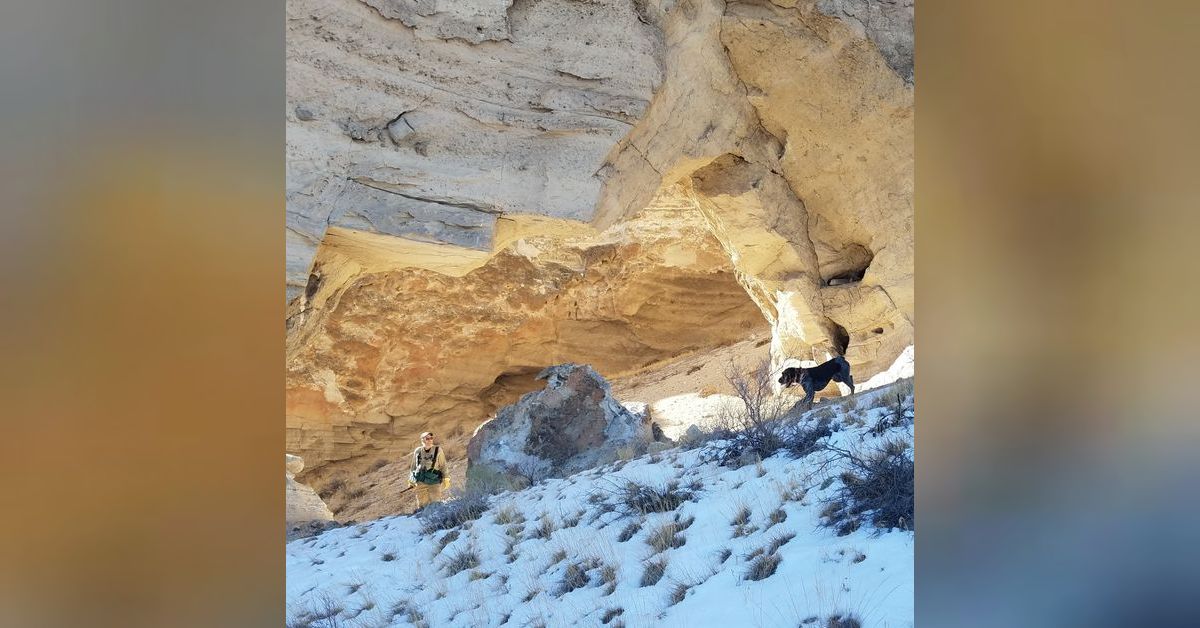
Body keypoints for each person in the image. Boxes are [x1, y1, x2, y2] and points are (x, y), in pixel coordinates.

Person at [409, 431, 447, 508]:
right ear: (422, 440)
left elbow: (443, 465)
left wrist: (446, 478)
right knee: (422, 504)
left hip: (434, 480)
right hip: (420, 480)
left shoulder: (438, 450)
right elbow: (413, 467)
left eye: (431, 438)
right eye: (427, 438)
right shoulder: (418, 451)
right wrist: (411, 480)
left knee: (436, 503)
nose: (430, 440)